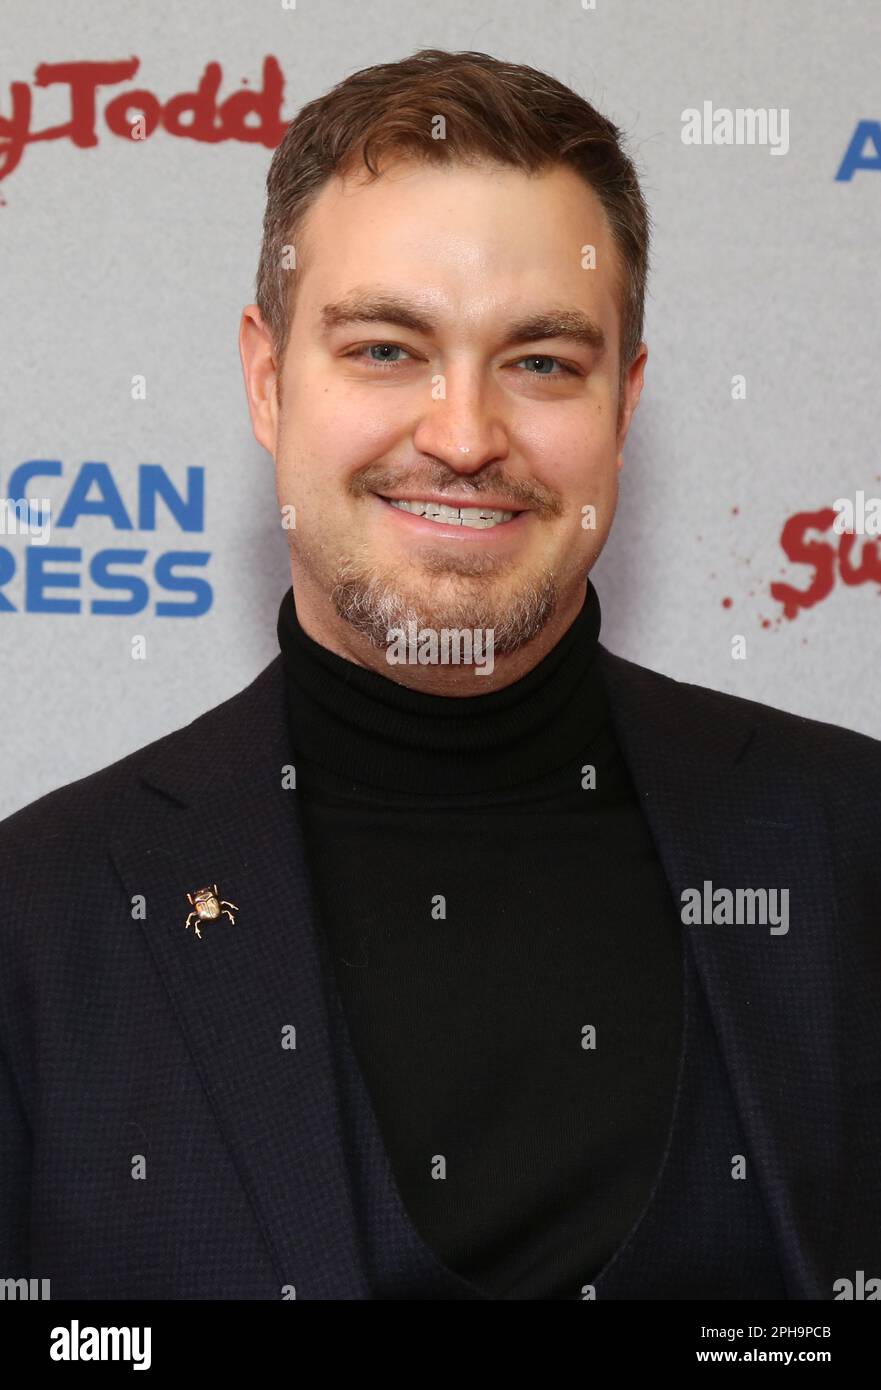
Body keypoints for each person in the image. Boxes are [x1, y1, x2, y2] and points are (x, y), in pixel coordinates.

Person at [1, 48, 879, 1302]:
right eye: (383, 350)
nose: (463, 436)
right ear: (266, 378)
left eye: (540, 362)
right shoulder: (39, 921)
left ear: (622, 403)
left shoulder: (848, 846)